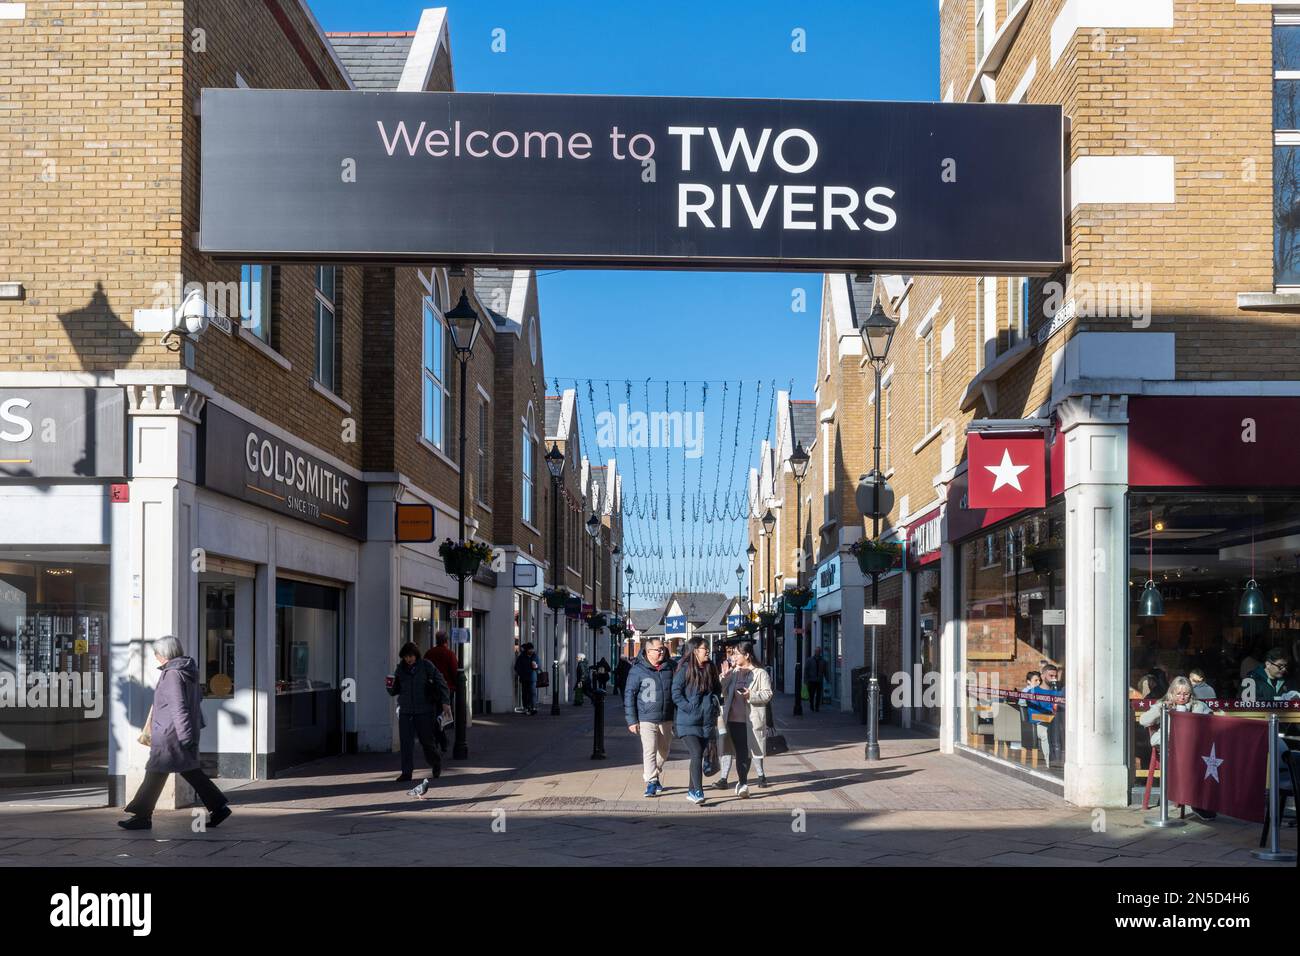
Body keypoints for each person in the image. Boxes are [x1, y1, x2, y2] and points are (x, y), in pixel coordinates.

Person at [119, 636, 231, 830]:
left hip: (170, 735)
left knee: (162, 772)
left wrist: (185, 735)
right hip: (176, 733)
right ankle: (217, 806)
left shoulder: (172, 674)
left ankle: (142, 816)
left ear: (164, 653)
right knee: (178, 771)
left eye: (156, 652)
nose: (155, 656)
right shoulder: (187, 671)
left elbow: (179, 707)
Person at [1139, 676, 1215, 820]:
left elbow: (1210, 720)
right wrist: (1161, 709)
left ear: (1191, 694)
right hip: (1169, 749)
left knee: (1207, 762)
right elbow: (1144, 720)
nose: (1182, 697)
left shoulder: (1197, 705)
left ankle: (1198, 801)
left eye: (1186, 694)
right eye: (1178, 694)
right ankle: (1195, 802)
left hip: (1192, 750)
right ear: (1171, 693)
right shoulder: (1163, 704)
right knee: (1193, 763)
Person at [388, 641, 451, 784]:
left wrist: (445, 702)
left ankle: (435, 762)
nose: (408, 659)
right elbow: (395, 690)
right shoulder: (400, 670)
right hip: (406, 711)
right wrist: (389, 686)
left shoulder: (426, 666)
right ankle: (406, 772)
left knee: (427, 742)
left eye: (411, 656)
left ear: (416, 655)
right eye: (405, 657)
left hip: (425, 710)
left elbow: (441, 683)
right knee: (406, 743)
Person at [623, 635, 676, 797]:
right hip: (646, 717)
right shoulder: (637, 670)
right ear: (648, 651)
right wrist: (632, 720)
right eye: (658, 649)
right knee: (649, 750)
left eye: (663, 649)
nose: (661, 652)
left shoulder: (670, 667)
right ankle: (651, 781)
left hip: (667, 717)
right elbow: (629, 695)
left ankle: (654, 773)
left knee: (664, 750)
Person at [719, 640, 773, 798]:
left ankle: (742, 783)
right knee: (733, 751)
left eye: (737, 653)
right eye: (733, 653)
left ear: (747, 655)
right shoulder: (734, 672)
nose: (734, 656)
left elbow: (768, 694)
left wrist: (751, 695)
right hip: (731, 719)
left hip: (750, 721)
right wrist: (724, 677)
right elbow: (722, 692)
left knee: (745, 753)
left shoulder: (760, 673)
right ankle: (738, 782)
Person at [671, 637, 721, 805]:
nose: (707, 651)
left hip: (706, 721)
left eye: (707, 648)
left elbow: (717, 691)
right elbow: (675, 693)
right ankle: (699, 791)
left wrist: (714, 701)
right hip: (687, 722)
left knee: (699, 755)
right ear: (694, 651)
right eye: (704, 648)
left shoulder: (710, 668)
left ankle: (691, 790)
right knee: (696, 753)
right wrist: (689, 707)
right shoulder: (684, 669)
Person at [424, 631, 459, 750]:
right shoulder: (449, 654)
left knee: (434, 714)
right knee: (443, 715)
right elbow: (454, 672)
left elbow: (424, 670)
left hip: (432, 689)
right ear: (446, 641)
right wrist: (455, 685)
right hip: (446, 689)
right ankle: (442, 739)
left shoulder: (429, 653)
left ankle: (439, 739)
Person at [515, 643, 539, 715]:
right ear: (526, 650)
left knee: (533, 693)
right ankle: (526, 707)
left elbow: (539, 666)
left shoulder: (535, 656)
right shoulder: (521, 657)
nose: (531, 650)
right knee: (525, 693)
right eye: (530, 649)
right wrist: (521, 673)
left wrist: (536, 666)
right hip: (524, 678)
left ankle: (533, 707)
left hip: (532, 678)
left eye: (532, 649)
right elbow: (516, 667)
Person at [803, 645, 828, 712]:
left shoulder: (823, 661)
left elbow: (825, 671)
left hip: (819, 680)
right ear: (814, 652)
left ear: (820, 652)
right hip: (811, 680)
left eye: (819, 651)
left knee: (819, 695)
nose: (817, 652)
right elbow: (806, 670)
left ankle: (817, 707)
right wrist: (805, 680)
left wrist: (827, 678)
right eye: (816, 651)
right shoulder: (809, 660)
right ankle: (811, 705)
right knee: (811, 694)